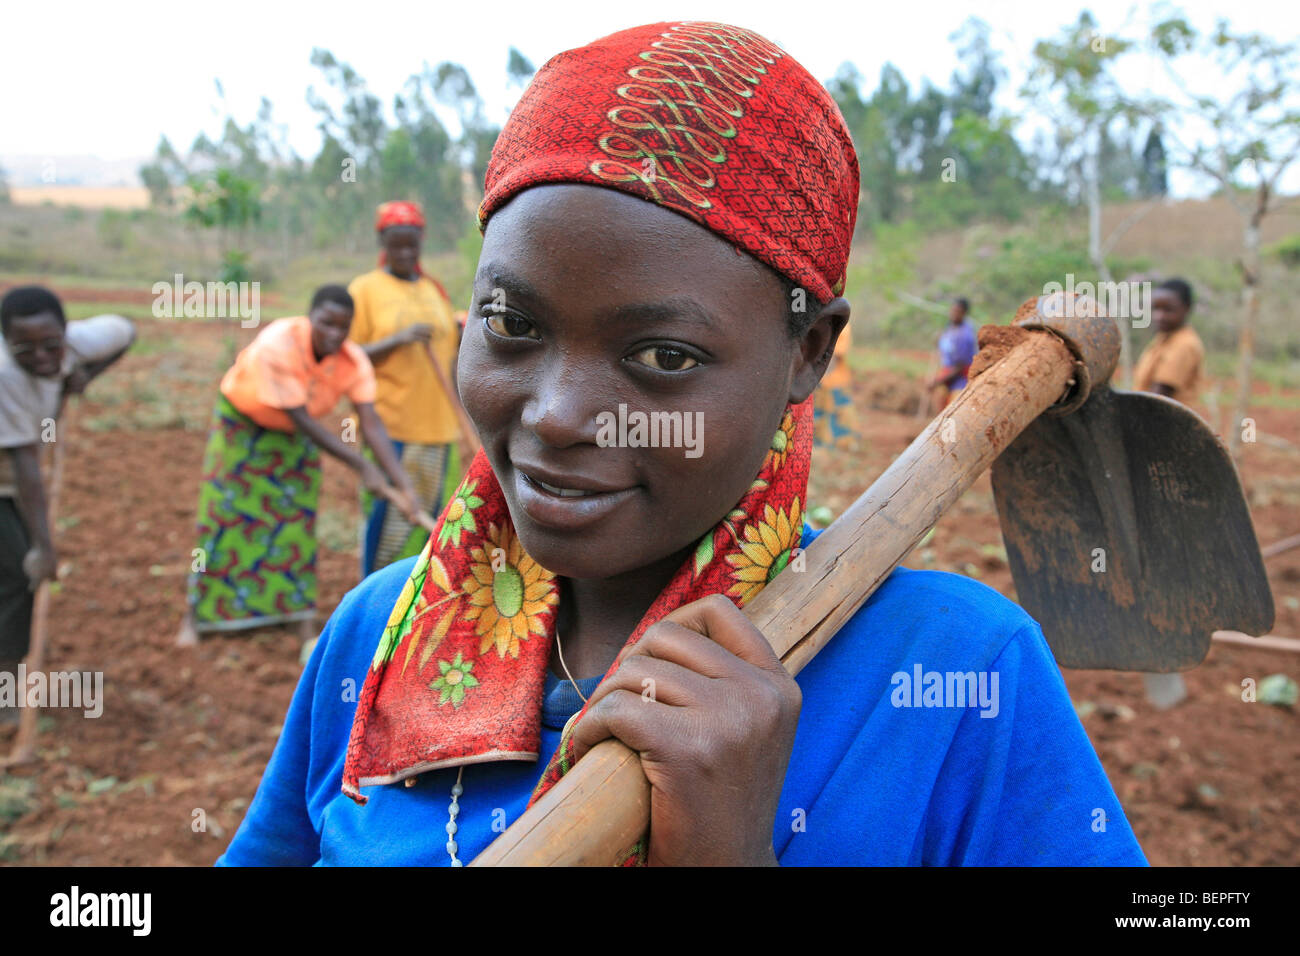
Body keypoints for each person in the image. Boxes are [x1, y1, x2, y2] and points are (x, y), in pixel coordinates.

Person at [218, 22, 1146, 866]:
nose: (555, 415)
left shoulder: (954, 679)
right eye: (512, 322)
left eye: (663, 355)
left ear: (807, 352)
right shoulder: (376, 636)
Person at [176, 285, 419, 646]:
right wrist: (361, 466)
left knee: (296, 520)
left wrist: (404, 485)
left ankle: (295, 616)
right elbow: (301, 417)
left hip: (294, 438)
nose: (335, 334)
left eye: (344, 327)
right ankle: (196, 618)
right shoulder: (278, 344)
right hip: (243, 428)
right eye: (327, 324)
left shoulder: (352, 362)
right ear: (310, 319)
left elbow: (370, 424)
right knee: (223, 517)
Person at [1, 286, 134, 721]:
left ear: (66, 333)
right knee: (18, 572)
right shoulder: (5, 375)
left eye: (51, 345)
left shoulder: (79, 342)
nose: (42, 357)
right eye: (26, 348)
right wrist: (44, 546)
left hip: (12, 479)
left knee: (16, 575)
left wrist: (83, 376)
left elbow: (126, 332)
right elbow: (25, 469)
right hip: (10, 477)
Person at [348, 201, 465, 576]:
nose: (404, 253)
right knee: (390, 526)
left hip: (441, 427)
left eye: (411, 245)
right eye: (396, 245)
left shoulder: (434, 290)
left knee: (437, 522)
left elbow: (450, 352)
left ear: (421, 243)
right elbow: (347, 355)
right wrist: (397, 340)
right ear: (382, 242)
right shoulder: (365, 290)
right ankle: (378, 605)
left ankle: (420, 606)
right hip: (392, 427)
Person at [1133, 278, 1204, 404]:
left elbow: (1159, 396)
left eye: (1168, 310)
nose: (1159, 316)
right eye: (1156, 309)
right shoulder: (1163, 339)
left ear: (1186, 309)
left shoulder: (1183, 345)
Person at [812, 320, 860, 449]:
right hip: (821, 378)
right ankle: (823, 442)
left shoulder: (842, 326)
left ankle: (843, 442)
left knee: (840, 411)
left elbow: (838, 352)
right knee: (820, 411)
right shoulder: (822, 322)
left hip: (836, 379)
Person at [927, 297, 978, 411]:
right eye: (953, 310)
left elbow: (960, 366)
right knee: (940, 400)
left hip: (961, 378)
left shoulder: (965, 335)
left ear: (964, 313)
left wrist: (939, 381)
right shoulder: (949, 328)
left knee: (954, 408)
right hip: (948, 373)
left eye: (957, 311)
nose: (954, 314)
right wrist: (938, 341)